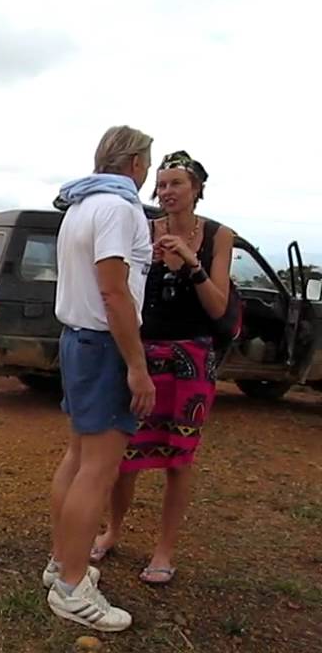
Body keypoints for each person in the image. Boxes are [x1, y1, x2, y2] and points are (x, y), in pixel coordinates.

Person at [90, 151, 233, 585]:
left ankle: (165, 550)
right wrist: (147, 263)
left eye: (177, 183)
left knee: (178, 459)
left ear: (197, 190)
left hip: (192, 358)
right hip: (144, 352)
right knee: (125, 454)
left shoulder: (218, 236)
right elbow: (117, 291)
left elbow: (219, 307)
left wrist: (192, 263)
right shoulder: (141, 228)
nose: (168, 191)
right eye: (163, 183)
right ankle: (113, 530)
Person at [44, 125, 156, 632]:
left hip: (78, 340)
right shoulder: (118, 208)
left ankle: (60, 563)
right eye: (147, 161)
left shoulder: (83, 204)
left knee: (78, 458)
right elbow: (114, 293)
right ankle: (71, 586)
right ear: (133, 163)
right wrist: (137, 366)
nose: (148, 172)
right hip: (104, 345)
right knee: (98, 469)